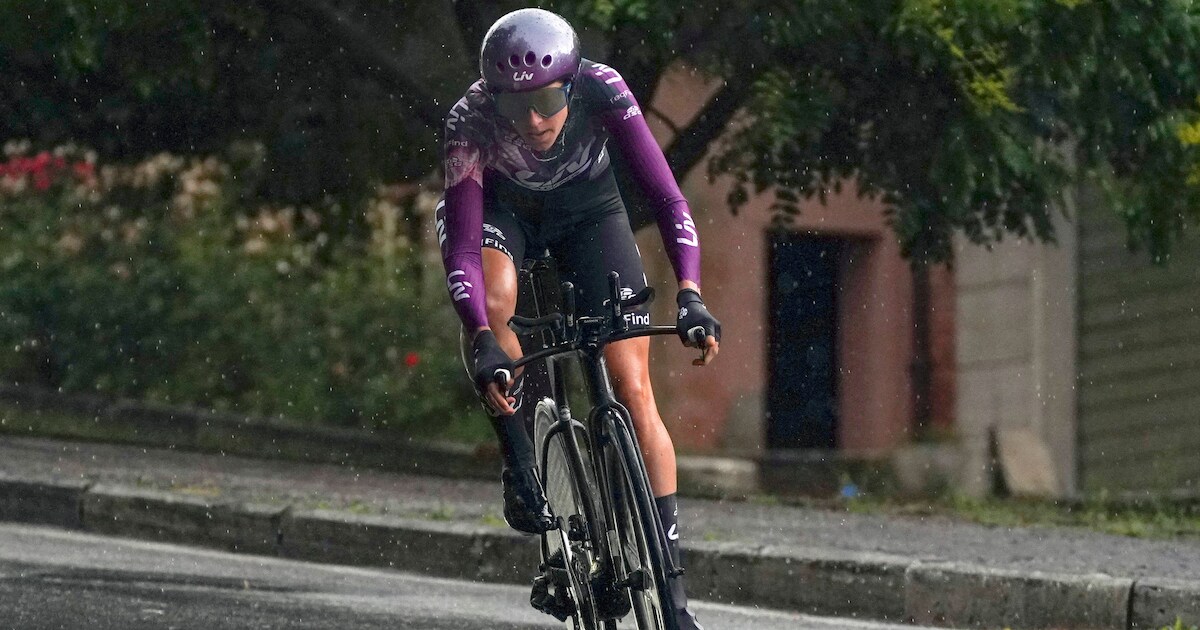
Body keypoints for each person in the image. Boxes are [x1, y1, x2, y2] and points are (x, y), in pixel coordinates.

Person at [435, 8, 721, 629]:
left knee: (635, 388)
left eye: (546, 99)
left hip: (589, 212)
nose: (534, 120)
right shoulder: (470, 118)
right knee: (499, 294)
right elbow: (460, 246)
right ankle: (519, 461)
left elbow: (668, 196)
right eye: (517, 107)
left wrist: (691, 292)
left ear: (569, 83)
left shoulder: (603, 88)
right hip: (501, 219)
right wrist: (481, 333)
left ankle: (673, 598)